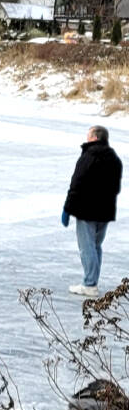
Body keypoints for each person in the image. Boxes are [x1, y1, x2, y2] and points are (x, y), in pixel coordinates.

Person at [63, 126, 123, 297]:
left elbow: (77, 183)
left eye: (88, 135)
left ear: (95, 138)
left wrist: (67, 208)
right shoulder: (113, 158)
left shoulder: (88, 156)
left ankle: (89, 284)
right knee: (95, 246)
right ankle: (92, 282)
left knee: (87, 246)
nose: (86, 138)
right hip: (105, 210)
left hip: (86, 210)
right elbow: (115, 187)